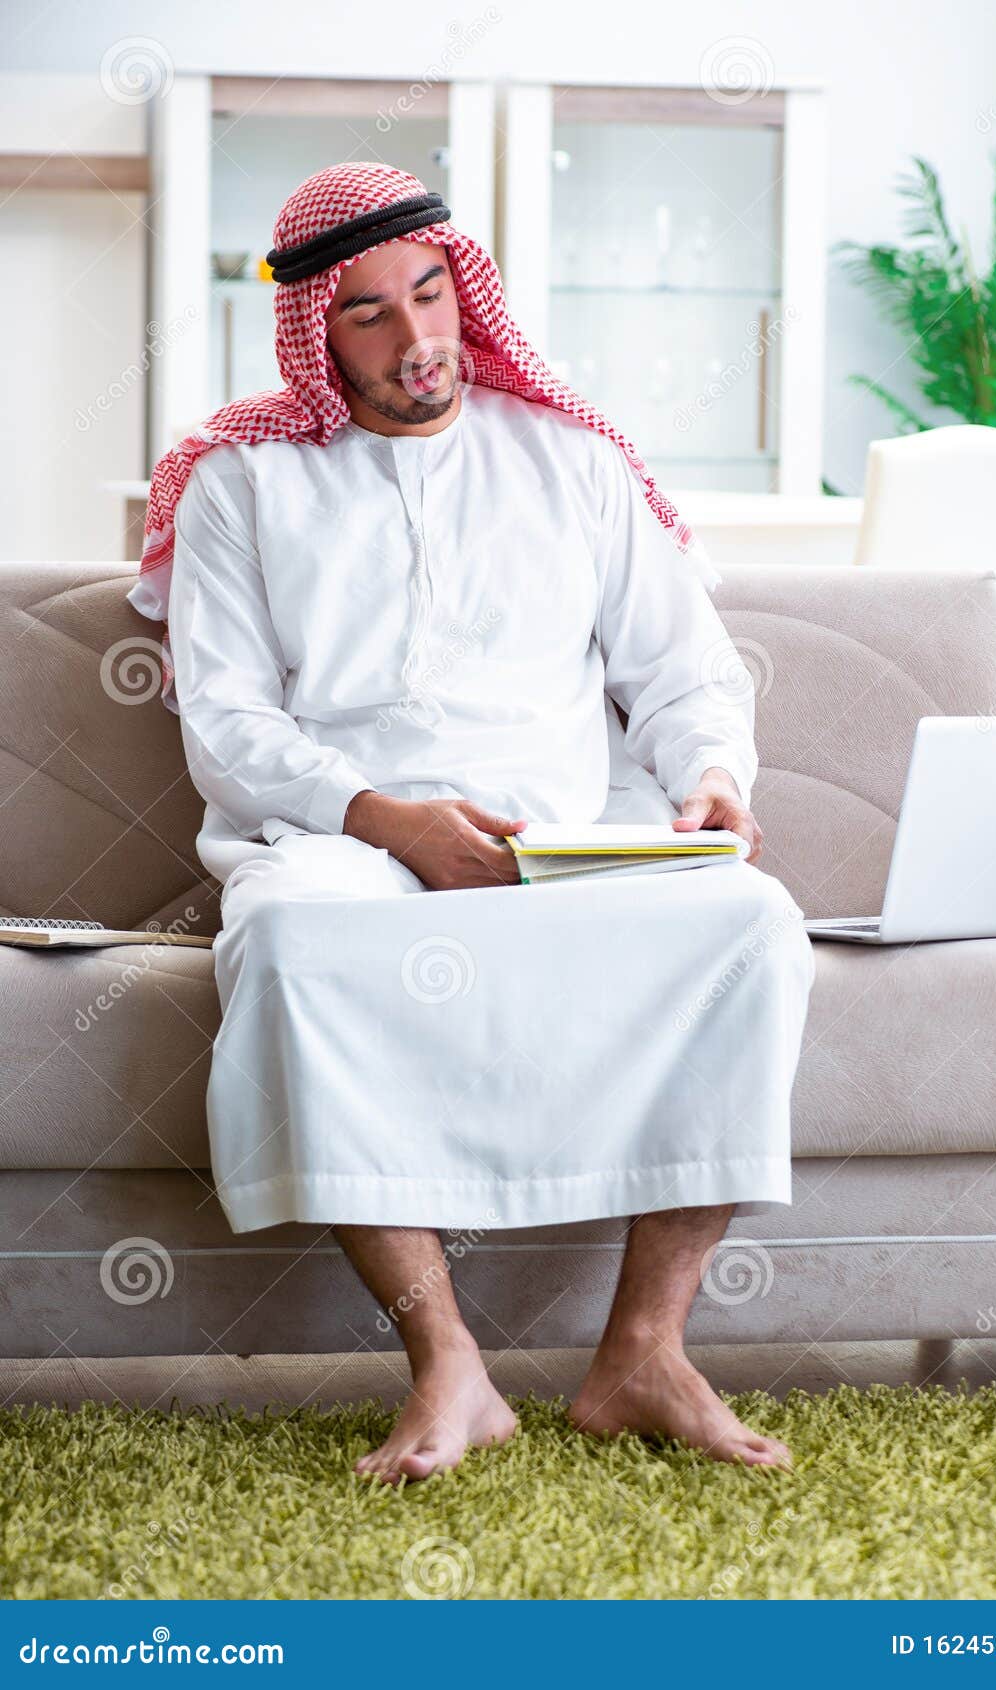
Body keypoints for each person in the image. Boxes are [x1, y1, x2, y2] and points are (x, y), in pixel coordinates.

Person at [129, 163, 816, 1483]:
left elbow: (682, 672)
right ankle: (449, 1363)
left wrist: (715, 772)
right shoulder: (243, 483)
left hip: (568, 840)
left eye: (432, 295)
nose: (417, 338)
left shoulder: (571, 455)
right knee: (288, 943)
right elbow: (223, 725)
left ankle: (644, 1353)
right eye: (370, 314)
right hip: (345, 842)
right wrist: (390, 819)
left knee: (751, 920)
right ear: (315, 332)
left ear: (464, 287)